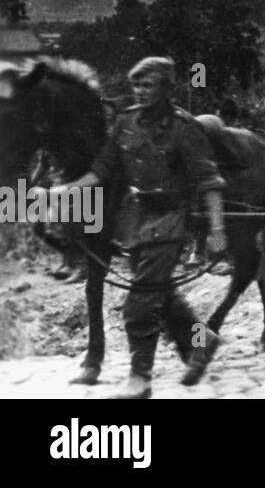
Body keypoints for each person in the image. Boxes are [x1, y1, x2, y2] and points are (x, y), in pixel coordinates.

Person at [49, 57, 227, 399]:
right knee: (162, 294)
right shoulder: (126, 121)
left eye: (148, 85)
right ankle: (202, 341)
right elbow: (102, 170)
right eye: (136, 85)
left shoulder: (184, 128)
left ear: (167, 89)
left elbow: (210, 182)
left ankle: (140, 379)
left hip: (171, 219)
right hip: (136, 220)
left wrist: (217, 231)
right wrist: (63, 191)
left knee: (140, 304)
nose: (140, 92)